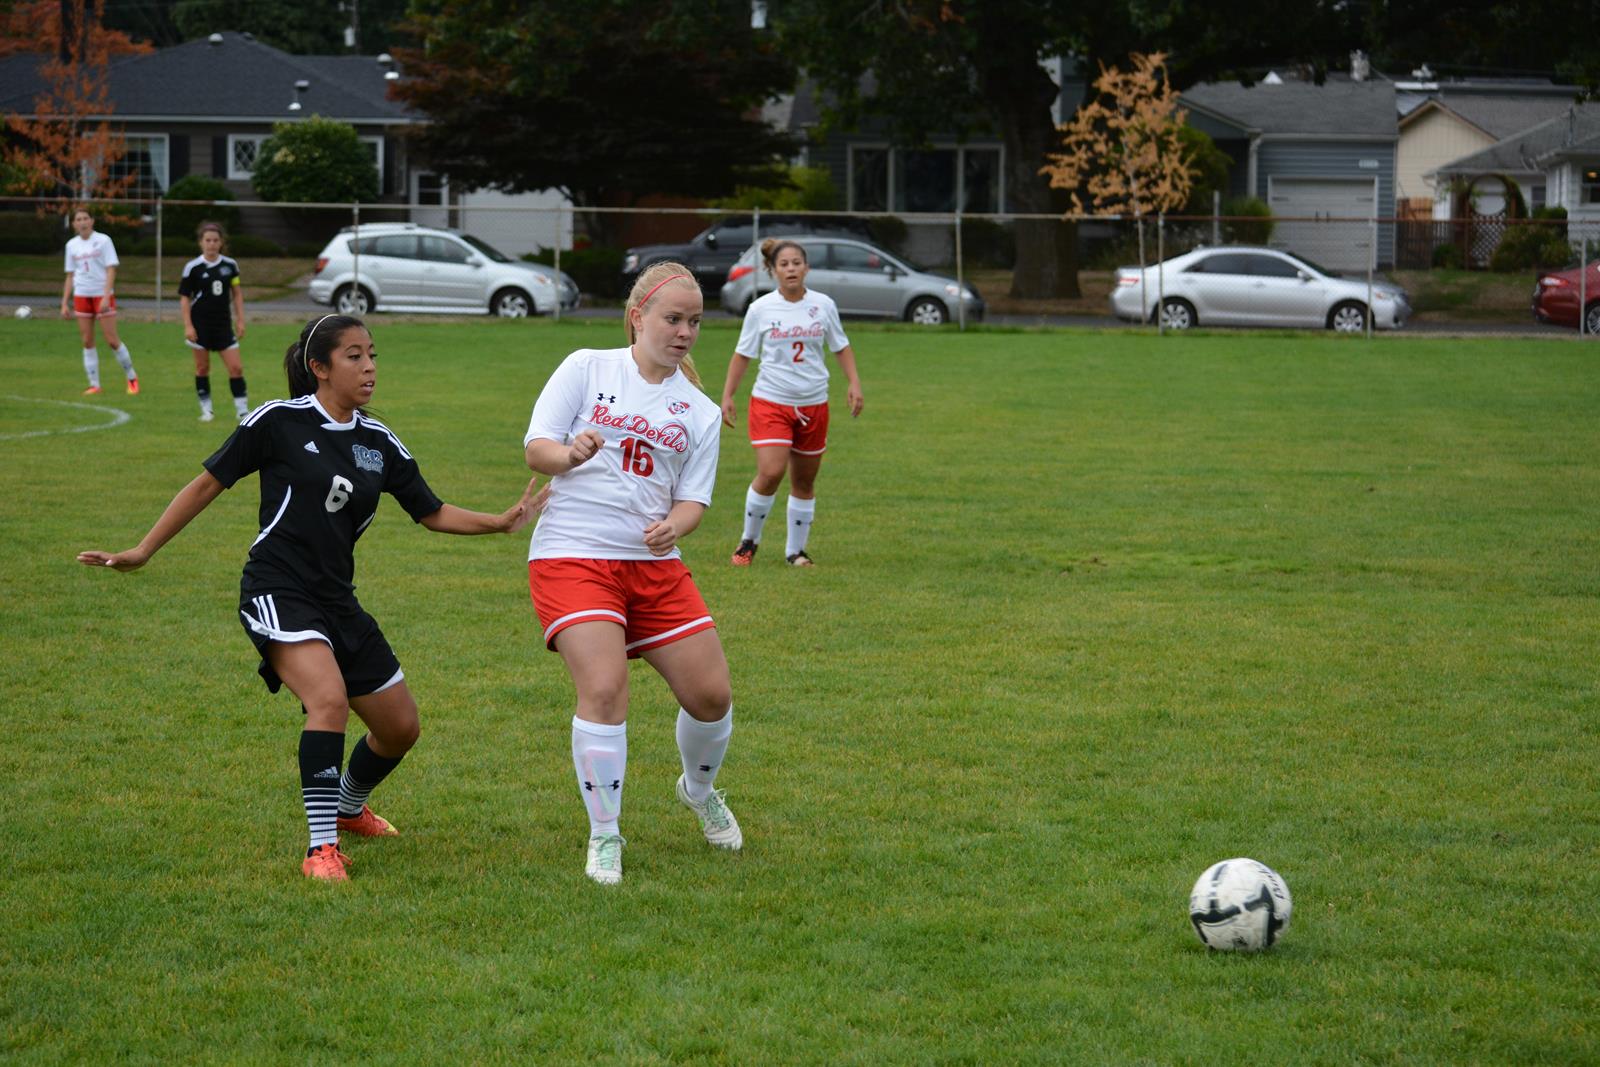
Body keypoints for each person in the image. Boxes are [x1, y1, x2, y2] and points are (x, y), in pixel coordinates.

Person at [76, 313, 545, 881]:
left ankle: (348, 808)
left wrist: (499, 522)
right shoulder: (278, 421)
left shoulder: (379, 442)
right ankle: (320, 848)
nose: (369, 366)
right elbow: (207, 483)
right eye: (353, 356)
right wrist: (144, 550)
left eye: (372, 354)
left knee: (401, 728)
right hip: (277, 588)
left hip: (337, 600)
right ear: (318, 368)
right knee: (328, 701)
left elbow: (432, 511)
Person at [523, 261, 740, 886]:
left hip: (652, 565)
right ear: (638, 316)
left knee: (711, 696)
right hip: (572, 554)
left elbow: (694, 499)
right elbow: (537, 447)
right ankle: (605, 835)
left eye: (695, 321)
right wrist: (570, 454)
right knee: (605, 688)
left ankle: (698, 793)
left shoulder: (697, 411)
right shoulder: (587, 367)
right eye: (673, 318)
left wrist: (677, 524)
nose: (685, 332)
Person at [720, 238, 863, 567]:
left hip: (814, 402)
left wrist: (854, 383)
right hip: (771, 400)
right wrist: (728, 395)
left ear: (806, 268)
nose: (791, 269)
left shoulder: (824, 305)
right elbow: (743, 355)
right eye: (784, 264)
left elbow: (840, 346)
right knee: (770, 472)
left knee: (804, 481)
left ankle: (795, 552)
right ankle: (748, 542)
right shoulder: (760, 309)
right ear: (773, 271)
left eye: (797, 263)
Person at [60, 207, 139, 396]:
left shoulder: (103, 241)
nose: (83, 222)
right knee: (87, 340)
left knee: (112, 340)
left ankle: (132, 378)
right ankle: (94, 384)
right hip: (81, 295)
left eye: (85, 218)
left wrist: (105, 296)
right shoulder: (71, 245)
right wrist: (64, 303)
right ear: (74, 224)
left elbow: (111, 269)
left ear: (92, 221)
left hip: (101, 295)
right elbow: (70, 276)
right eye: (78, 219)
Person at [178, 222, 250, 422]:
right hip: (200, 325)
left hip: (223, 325)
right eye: (207, 240)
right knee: (202, 368)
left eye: (215, 240)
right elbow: (185, 298)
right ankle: (207, 410)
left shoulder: (230, 265)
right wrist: (188, 325)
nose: (211, 244)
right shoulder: (193, 268)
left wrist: (241, 320)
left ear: (221, 242)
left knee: (236, 368)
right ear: (201, 243)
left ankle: (242, 410)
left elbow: (236, 293)